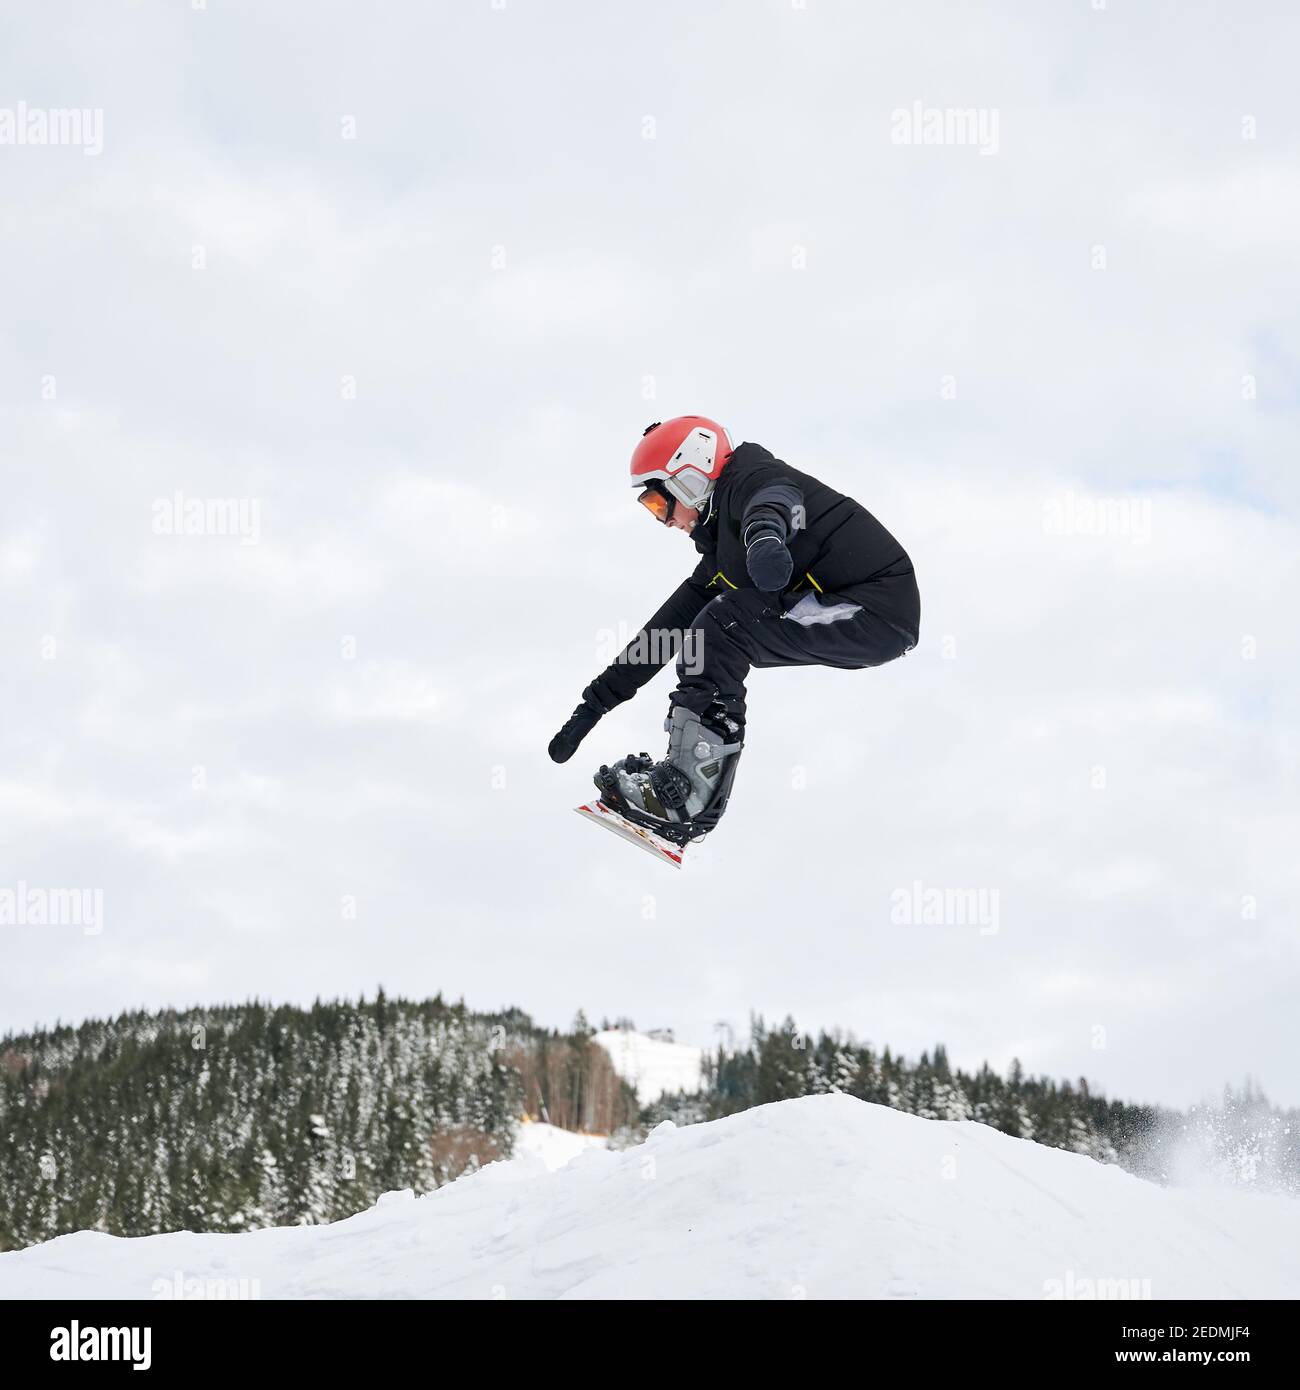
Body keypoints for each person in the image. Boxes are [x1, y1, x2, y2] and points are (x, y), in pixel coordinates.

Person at [548, 416, 920, 845]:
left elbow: (775, 500)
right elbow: (666, 629)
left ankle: (688, 796)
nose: (662, 519)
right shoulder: (723, 553)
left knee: (724, 624)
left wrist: (764, 536)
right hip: (845, 608)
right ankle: (681, 781)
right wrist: (596, 702)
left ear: (689, 477)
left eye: (656, 501)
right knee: (713, 624)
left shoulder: (753, 480)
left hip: (876, 611)